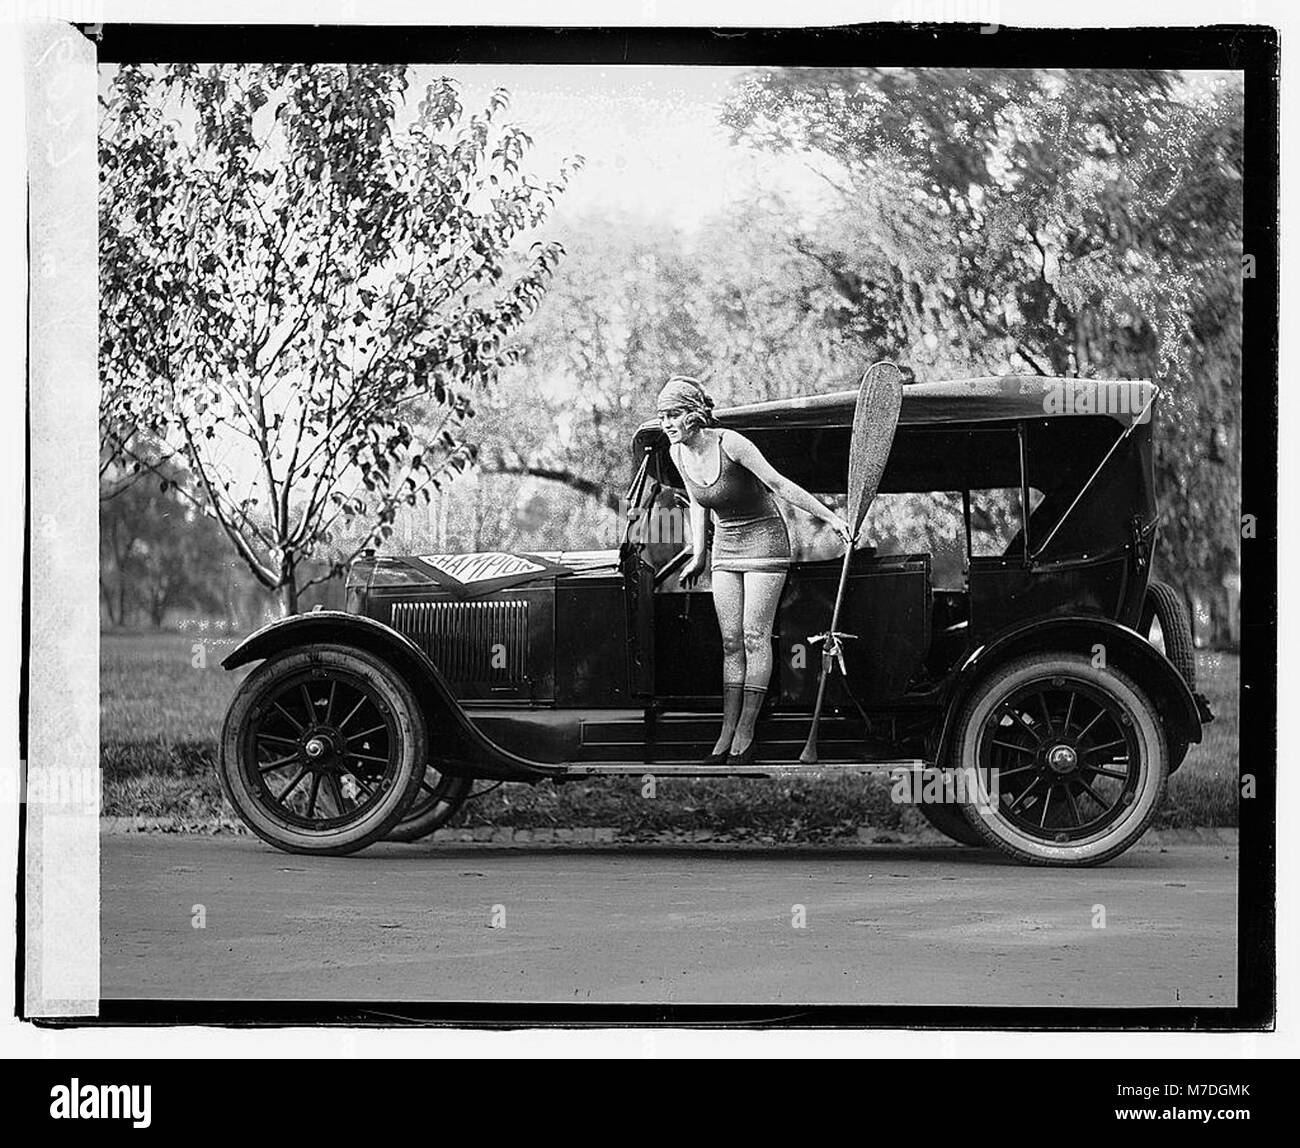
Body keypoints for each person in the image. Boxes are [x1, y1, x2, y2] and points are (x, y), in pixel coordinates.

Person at [657, 376, 852, 765]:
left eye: (673, 414)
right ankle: (725, 732)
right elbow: (699, 504)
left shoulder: (731, 444)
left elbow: (778, 484)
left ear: (693, 415)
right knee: (730, 642)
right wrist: (699, 553)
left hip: (764, 540)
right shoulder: (678, 453)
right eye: (662, 415)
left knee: (753, 636)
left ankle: (746, 733)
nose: (666, 422)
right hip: (726, 546)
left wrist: (830, 517)